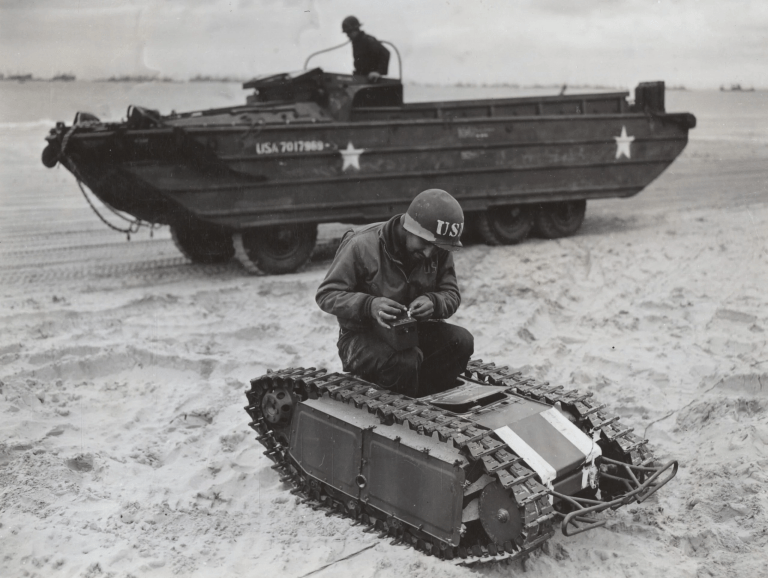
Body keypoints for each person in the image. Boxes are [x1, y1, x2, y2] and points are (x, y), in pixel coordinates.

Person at [316, 189, 474, 397]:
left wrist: (434, 302)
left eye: (435, 247)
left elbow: (451, 294)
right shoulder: (361, 244)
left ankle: (427, 398)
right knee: (405, 361)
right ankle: (399, 411)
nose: (429, 253)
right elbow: (327, 294)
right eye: (425, 243)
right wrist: (369, 305)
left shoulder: (438, 246)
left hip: (412, 331)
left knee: (461, 341)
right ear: (408, 228)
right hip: (361, 338)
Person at [341, 16, 390, 82]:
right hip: (361, 78)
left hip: (372, 80)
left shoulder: (367, 40)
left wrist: (378, 72)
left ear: (356, 29)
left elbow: (385, 52)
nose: (347, 35)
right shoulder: (356, 42)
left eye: (349, 32)